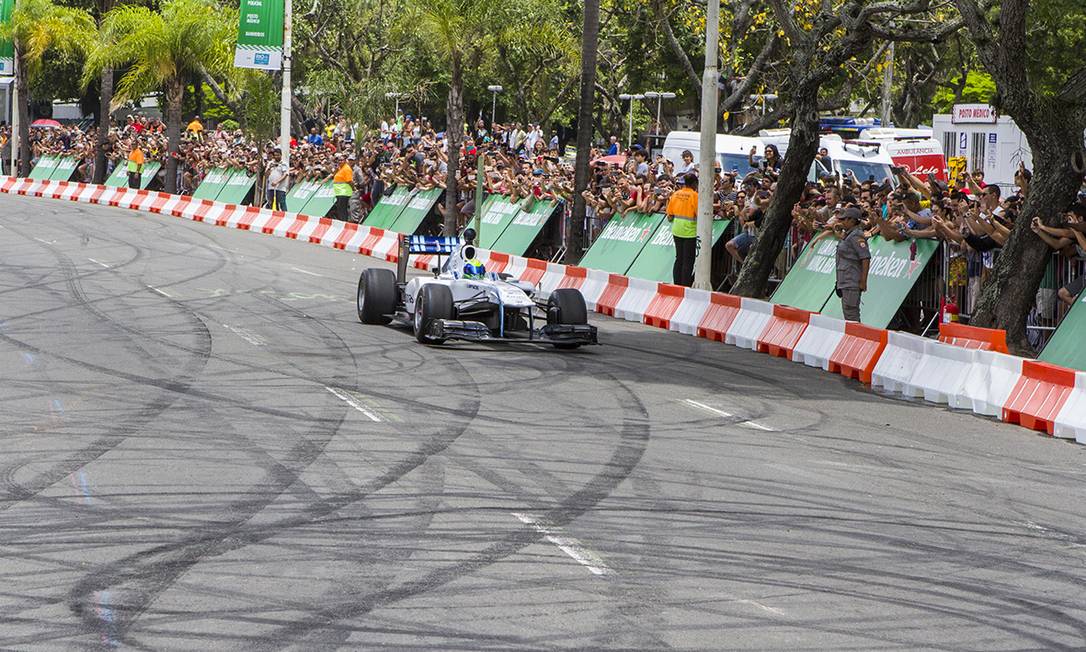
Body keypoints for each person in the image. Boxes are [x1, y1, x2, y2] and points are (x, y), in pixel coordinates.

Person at [835, 206, 870, 321]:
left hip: (852, 280)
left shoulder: (856, 235)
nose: (842, 222)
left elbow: (865, 257)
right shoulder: (849, 235)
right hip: (845, 280)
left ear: (852, 220)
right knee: (848, 313)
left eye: (844, 219)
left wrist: (863, 281)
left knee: (851, 315)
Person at [666, 173, 699, 287]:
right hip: (690, 232)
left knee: (679, 258)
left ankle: (677, 284)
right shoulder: (695, 196)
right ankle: (685, 286)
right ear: (695, 183)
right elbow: (699, 214)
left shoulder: (675, 194)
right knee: (688, 260)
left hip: (676, 230)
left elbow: (669, 215)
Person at [332, 154, 353, 221]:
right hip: (339, 192)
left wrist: (354, 189)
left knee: (342, 208)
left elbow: (349, 181)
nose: (340, 161)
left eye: (341, 160)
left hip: (344, 192)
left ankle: (344, 222)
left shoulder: (346, 169)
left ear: (345, 161)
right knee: (340, 208)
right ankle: (342, 221)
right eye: (339, 160)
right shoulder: (340, 168)